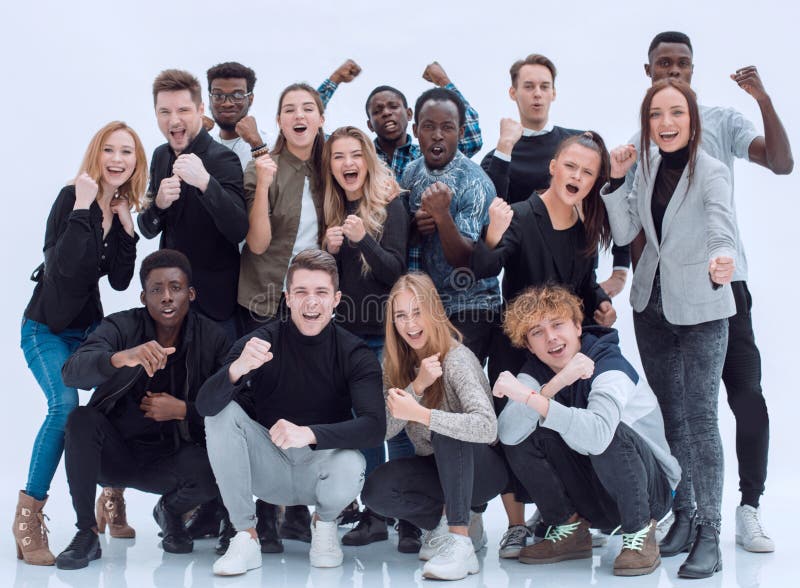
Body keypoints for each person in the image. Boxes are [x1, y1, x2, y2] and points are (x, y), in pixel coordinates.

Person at [626, 31, 793, 554]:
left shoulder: (720, 122)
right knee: (678, 410)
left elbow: (781, 163)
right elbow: (635, 227)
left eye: (682, 65)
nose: (673, 73)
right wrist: (632, 281)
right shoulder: (645, 139)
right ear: (648, 71)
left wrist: (762, 99)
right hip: (664, 298)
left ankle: (748, 508)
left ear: (693, 71)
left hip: (724, 283)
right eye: (663, 66)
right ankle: (691, 512)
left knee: (744, 396)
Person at [603, 78, 737, 579]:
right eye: (656, 115)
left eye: (676, 113)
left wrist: (722, 256)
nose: (666, 123)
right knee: (673, 417)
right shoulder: (646, 166)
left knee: (702, 420)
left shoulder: (713, 172)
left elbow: (722, 224)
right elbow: (623, 233)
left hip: (702, 307)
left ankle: (711, 533)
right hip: (651, 306)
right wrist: (616, 183)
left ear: (692, 118)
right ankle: (685, 515)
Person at [471, 131, 617, 557]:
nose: (577, 176)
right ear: (553, 168)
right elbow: (484, 266)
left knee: (560, 430)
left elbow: (585, 285)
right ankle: (516, 525)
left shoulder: (587, 227)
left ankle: (564, 514)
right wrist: (495, 232)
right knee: (512, 432)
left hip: (562, 352)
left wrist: (602, 303)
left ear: (593, 183)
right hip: (517, 347)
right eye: (570, 166)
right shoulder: (520, 215)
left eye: (587, 172)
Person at [197, 249, 385, 576]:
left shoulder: (354, 352)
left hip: (321, 468)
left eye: (321, 292)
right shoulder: (262, 342)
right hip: (268, 467)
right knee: (221, 413)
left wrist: (308, 433)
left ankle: (324, 526)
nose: (311, 302)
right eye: (301, 292)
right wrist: (237, 370)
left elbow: (374, 428)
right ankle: (245, 536)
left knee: (352, 462)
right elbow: (205, 406)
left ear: (336, 299)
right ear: (287, 298)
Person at [15, 121, 144, 566]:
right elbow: (66, 271)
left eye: (126, 152)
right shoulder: (74, 196)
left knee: (122, 394)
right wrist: (86, 207)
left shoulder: (121, 204)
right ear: (96, 153)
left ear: (135, 161)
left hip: (89, 330)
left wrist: (127, 228)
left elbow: (124, 280)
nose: (117, 159)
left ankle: (112, 495)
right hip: (46, 329)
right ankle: (29, 516)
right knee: (65, 408)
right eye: (109, 149)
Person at [53, 250, 228, 569]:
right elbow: (72, 371)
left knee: (216, 470)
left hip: (171, 459)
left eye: (175, 287)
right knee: (80, 419)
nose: (166, 297)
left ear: (190, 293)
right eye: (156, 289)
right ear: (143, 296)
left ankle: (171, 512)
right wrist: (121, 358)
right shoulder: (121, 326)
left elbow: (235, 401)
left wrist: (183, 410)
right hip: (114, 457)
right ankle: (86, 534)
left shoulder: (212, 337)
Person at [494, 285, 679, 576]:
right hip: (595, 493)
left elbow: (598, 435)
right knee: (523, 428)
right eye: (537, 332)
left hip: (648, 494)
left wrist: (536, 400)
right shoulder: (535, 371)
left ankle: (639, 535)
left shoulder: (610, 365)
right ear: (529, 345)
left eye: (557, 325)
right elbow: (508, 434)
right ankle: (569, 529)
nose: (550, 338)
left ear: (578, 326)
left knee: (606, 429)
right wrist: (555, 385)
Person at [362, 273, 507, 581]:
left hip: (483, 471)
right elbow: (384, 431)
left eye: (418, 312)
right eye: (401, 315)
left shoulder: (456, 359)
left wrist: (423, 415)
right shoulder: (395, 366)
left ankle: (460, 540)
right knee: (376, 491)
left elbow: (487, 427)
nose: (410, 323)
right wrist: (416, 387)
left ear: (434, 312)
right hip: (438, 467)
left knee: (444, 429)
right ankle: (448, 521)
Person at [321, 126, 411, 547]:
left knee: (402, 427)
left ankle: (409, 515)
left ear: (368, 160)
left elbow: (394, 271)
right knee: (368, 426)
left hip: (388, 336)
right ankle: (374, 515)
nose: (348, 164)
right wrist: (329, 249)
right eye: (338, 157)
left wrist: (362, 242)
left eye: (355, 154)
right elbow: (328, 283)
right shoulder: (332, 208)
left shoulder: (390, 204)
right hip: (348, 336)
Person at [480, 54, 629, 297]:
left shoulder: (580, 147)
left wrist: (620, 272)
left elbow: (614, 206)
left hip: (579, 283)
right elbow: (491, 221)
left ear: (554, 93)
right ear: (513, 92)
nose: (537, 93)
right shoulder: (499, 157)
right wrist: (505, 146)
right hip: (525, 290)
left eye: (544, 86)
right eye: (528, 86)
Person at [137, 69, 247, 345]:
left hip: (215, 305)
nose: (173, 120)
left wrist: (206, 184)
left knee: (220, 385)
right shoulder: (160, 156)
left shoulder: (223, 160)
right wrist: (159, 204)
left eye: (183, 110)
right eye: (164, 112)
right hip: (169, 303)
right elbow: (146, 229)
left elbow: (238, 230)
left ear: (199, 110)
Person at [400, 87, 501, 364]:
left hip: (473, 304)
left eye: (447, 127)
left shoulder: (476, 182)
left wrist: (442, 215)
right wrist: (414, 224)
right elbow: (401, 235)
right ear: (416, 129)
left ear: (460, 131)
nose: (437, 135)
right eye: (429, 127)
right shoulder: (410, 172)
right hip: (429, 304)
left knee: (457, 379)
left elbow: (464, 259)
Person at [318, 60, 483, 177]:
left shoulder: (429, 155)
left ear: (409, 114)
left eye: (393, 106)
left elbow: (471, 138)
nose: (386, 113)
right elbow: (309, 134)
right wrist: (335, 79)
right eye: (377, 110)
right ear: (370, 125)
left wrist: (443, 82)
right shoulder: (360, 157)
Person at [205, 61, 274, 170]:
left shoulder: (272, 144)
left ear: (250, 99)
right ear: (210, 99)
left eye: (238, 95)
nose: (227, 103)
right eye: (218, 95)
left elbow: (278, 184)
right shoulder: (204, 145)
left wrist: (257, 144)